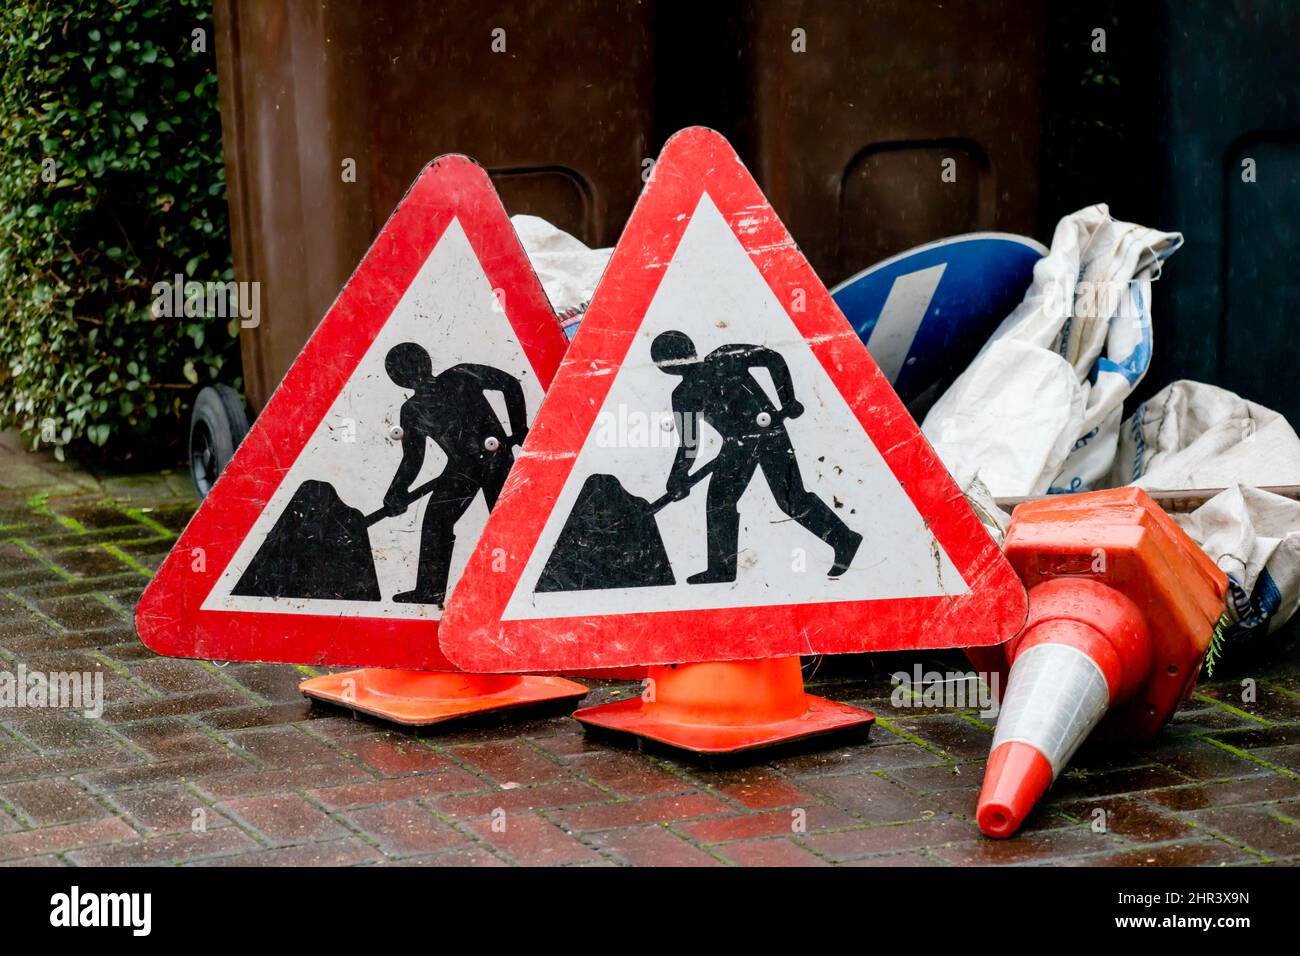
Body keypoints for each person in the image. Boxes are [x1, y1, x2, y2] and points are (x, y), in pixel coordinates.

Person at [653, 330, 862, 583]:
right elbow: (689, 443)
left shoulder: (723, 358)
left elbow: (772, 358)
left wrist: (788, 399)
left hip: (769, 432)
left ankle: (845, 539)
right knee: (721, 501)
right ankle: (721, 570)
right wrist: (677, 477)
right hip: (736, 446)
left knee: (789, 499)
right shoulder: (686, 392)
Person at [381, 342, 528, 605]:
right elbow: (413, 459)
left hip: (495, 459)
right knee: (436, 522)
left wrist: (519, 429)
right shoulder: (414, 409)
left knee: (509, 524)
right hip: (462, 468)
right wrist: (396, 491)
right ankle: (429, 591)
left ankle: (521, 588)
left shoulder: (461, 376)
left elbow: (510, 383)